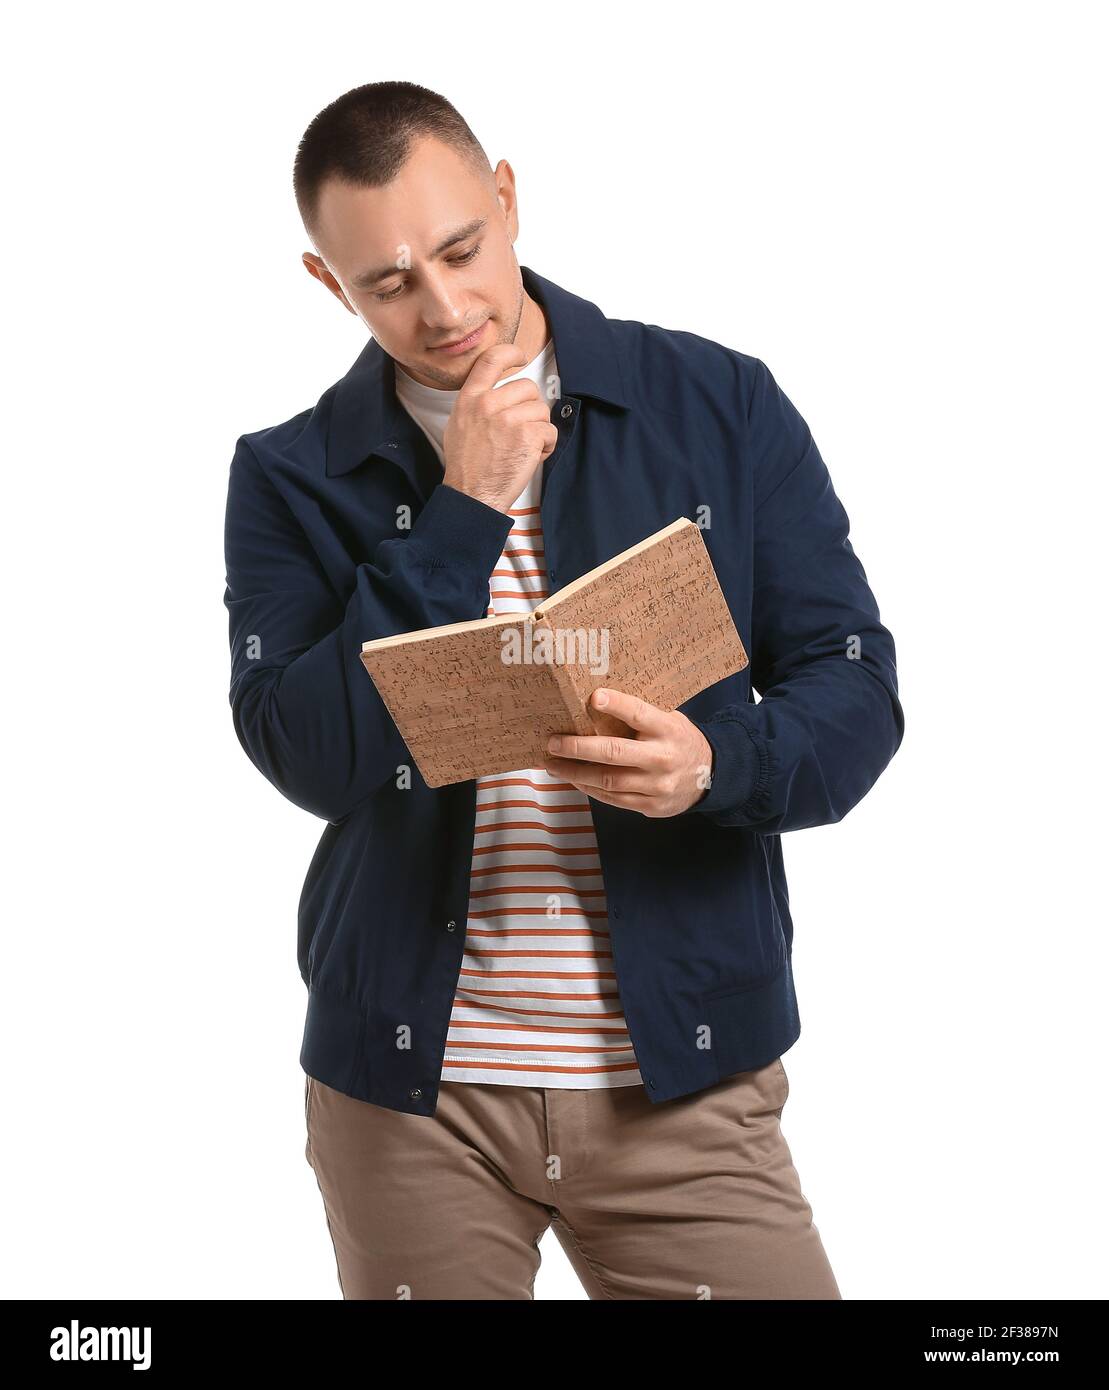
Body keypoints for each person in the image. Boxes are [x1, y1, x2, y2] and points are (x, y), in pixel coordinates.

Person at [222, 80, 905, 1300]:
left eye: (461, 249)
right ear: (330, 285)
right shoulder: (287, 474)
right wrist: (465, 507)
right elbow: (306, 754)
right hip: (407, 1096)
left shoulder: (716, 402)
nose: (442, 308)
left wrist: (715, 766)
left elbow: (854, 691)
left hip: (682, 1079)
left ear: (507, 198)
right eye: (386, 284)